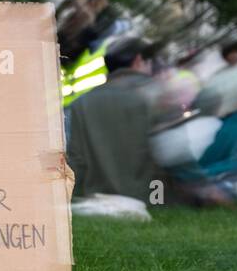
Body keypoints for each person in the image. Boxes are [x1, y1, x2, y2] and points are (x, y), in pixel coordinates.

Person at [66, 36, 164, 204]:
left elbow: (74, 159)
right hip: (149, 200)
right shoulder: (160, 95)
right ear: (139, 60)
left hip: (94, 199)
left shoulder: (81, 103)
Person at [194, 41, 237, 118]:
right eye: (229, 53)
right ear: (225, 57)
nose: (233, 55)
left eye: (235, 52)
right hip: (229, 113)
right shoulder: (219, 74)